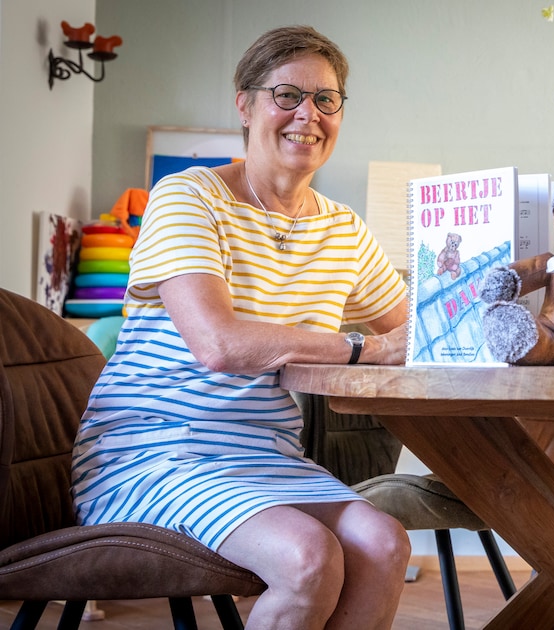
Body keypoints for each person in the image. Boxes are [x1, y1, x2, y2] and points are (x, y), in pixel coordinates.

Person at [71, 26, 411, 629]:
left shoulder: (344, 231)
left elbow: (422, 332)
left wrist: (512, 280)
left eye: (326, 100)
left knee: (385, 545)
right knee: (309, 558)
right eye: (287, 95)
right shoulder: (187, 197)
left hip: (264, 454)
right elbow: (219, 344)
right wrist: (362, 347)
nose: (308, 114)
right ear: (246, 104)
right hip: (155, 450)